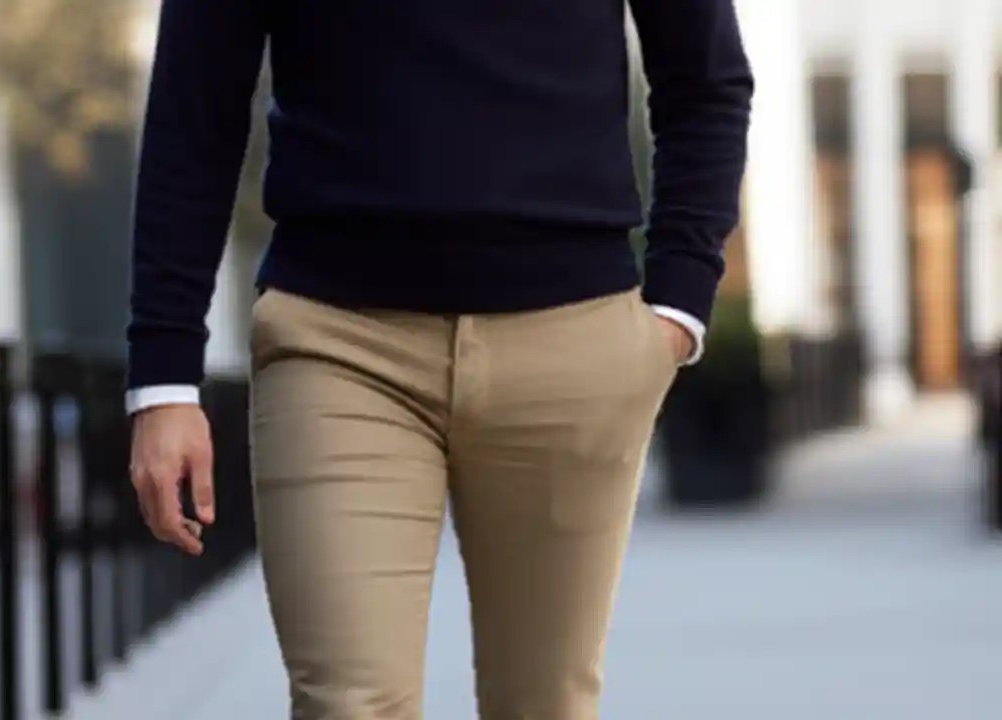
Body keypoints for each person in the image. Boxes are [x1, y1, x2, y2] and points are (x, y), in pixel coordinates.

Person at [125, 0, 753, 716]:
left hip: (572, 340)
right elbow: (193, 106)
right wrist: (163, 377)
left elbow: (705, 78)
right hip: (338, 345)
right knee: (346, 704)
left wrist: (677, 306)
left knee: (543, 702)